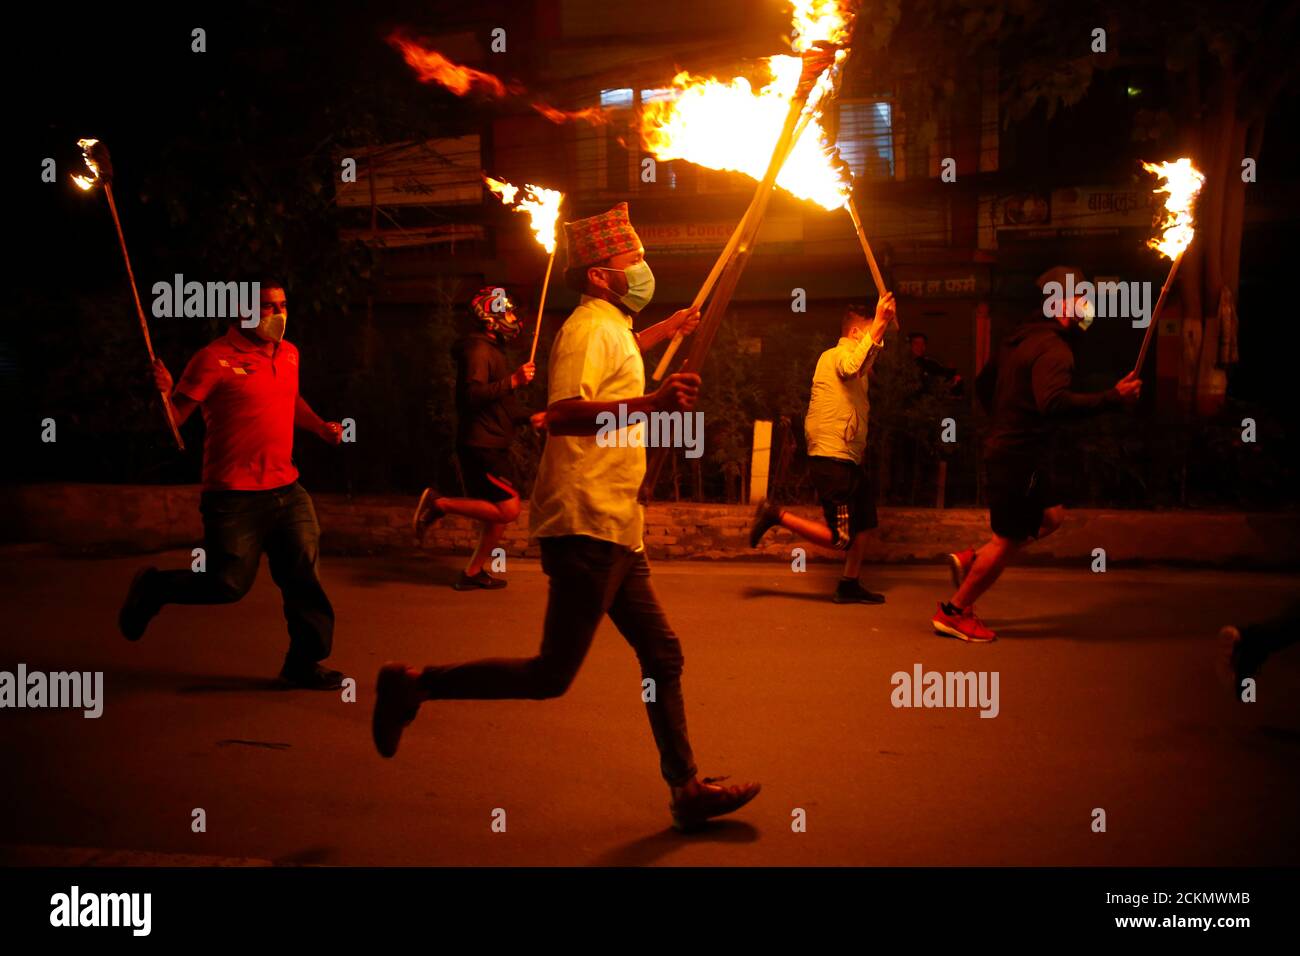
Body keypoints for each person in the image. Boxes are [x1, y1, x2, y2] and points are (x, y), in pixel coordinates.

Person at [373, 202, 761, 829]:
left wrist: (667, 332)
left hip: (615, 525)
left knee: (662, 655)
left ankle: (685, 788)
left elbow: (618, 358)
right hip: (585, 521)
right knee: (551, 675)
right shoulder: (585, 328)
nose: (643, 268)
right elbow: (562, 414)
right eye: (632, 260)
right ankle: (415, 682)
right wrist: (653, 402)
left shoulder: (609, 327)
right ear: (602, 276)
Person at [117, 280, 346, 689]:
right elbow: (175, 422)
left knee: (303, 577)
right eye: (265, 306)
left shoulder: (288, 353)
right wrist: (166, 395)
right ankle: (154, 587)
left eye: (281, 305)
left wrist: (320, 429)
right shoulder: (213, 359)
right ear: (239, 311)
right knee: (226, 584)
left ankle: (303, 661)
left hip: (287, 488)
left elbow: (290, 400)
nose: (276, 315)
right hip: (233, 494)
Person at [933, 266, 1141, 642]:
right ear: (1060, 302)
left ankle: (971, 561)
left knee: (1052, 516)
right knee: (1008, 539)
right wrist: (1114, 398)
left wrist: (1004, 421)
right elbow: (1054, 403)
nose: (1087, 305)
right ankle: (955, 611)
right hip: (1019, 455)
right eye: (1081, 297)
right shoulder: (1055, 349)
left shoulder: (1018, 339)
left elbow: (984, 384)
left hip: (1014, 449)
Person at [749, 295, 897, 604]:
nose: (873, 337)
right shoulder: (835, 355)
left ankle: (849, 584)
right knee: (842, 538)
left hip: (849, 457)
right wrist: (880, 324)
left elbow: (865, 362)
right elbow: (853, 365)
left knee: (865, 524)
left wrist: (883, 326)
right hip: (831, 456)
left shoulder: (859, 362)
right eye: (869, 331)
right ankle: (775, 514)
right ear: (856, 334)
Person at [413, 286, 535, 590]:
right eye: (506, 311)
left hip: (493, 442)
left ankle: (472, 573)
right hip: (480, 445)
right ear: (490, 319)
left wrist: (529, 417)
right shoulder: (478, 351)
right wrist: (514, 380)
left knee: (495, 518)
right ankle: (439, 503)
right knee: (509, 509)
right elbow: (471, 395)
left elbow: (501, 402)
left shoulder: (493, 349)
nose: (513, 318)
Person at [908, 332, 963, 396]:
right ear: (909, 345)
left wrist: (952, 373)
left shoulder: (930, 364)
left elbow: (944, 376)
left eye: (922, 344)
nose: (920, 347)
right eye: (916, 343)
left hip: (927, 402)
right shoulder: (903, 365)